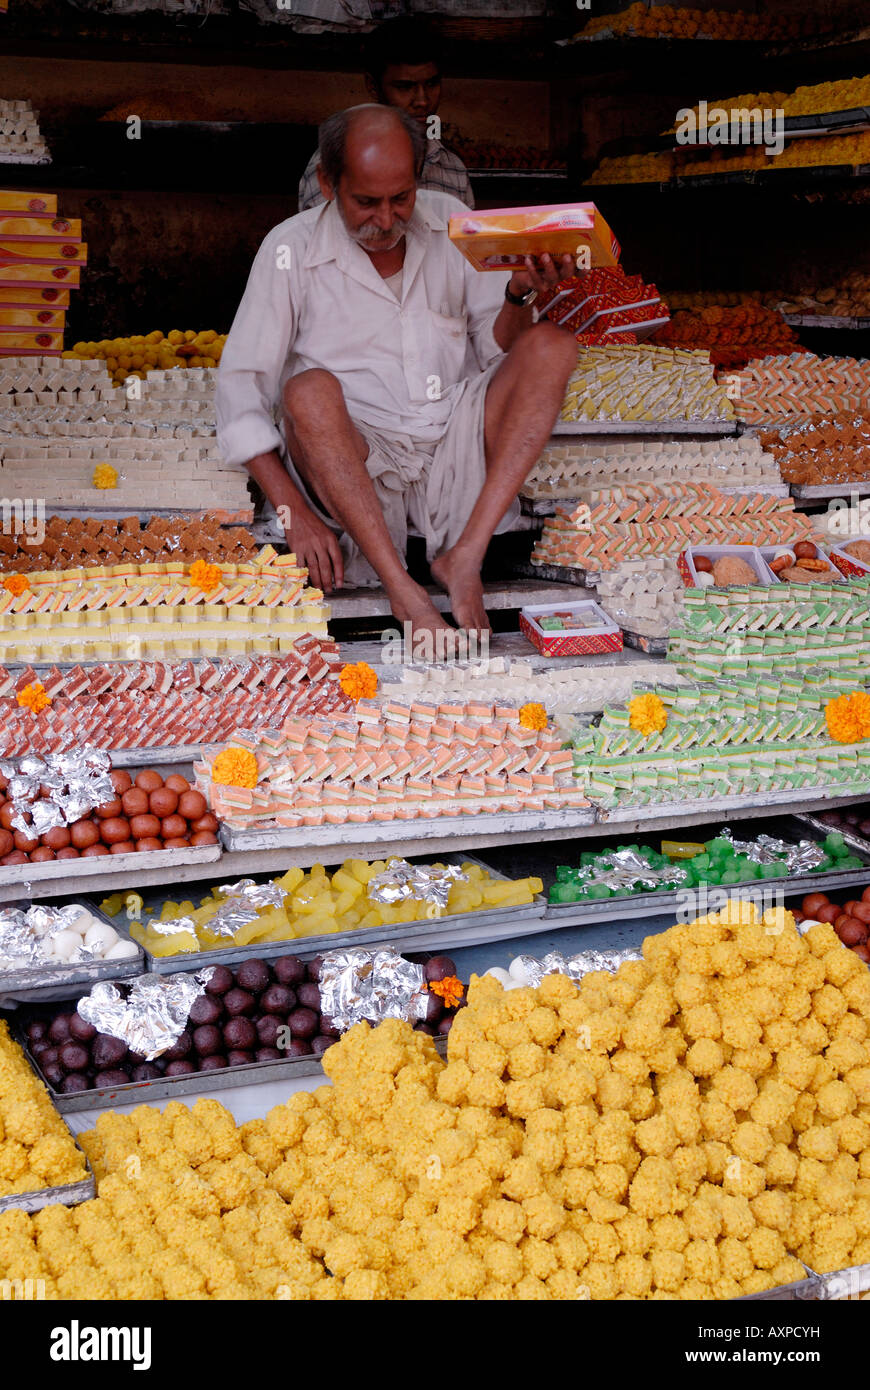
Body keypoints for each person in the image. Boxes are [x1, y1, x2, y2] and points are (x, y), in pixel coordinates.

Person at [216, 104, 577, 637]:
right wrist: (293, 511)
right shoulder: (288, 249)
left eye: (400, 198)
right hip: (354, 460)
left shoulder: (451, 223)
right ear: (328, 182)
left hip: (451, 446)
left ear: (418, 181)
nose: (386, 221)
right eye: (366, 202)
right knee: (308, 391)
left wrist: (518, 294)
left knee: (552, 345)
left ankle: (465, 556)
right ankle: (400, 588)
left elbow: (496, 351)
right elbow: (240, 394)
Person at [297, 15, 474, 212]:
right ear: (373, 87)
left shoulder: (452, 169)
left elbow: (464, 242)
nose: (423, 101)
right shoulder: (336, 162)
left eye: (432, 84)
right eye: (405, 87)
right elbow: (322, 240)